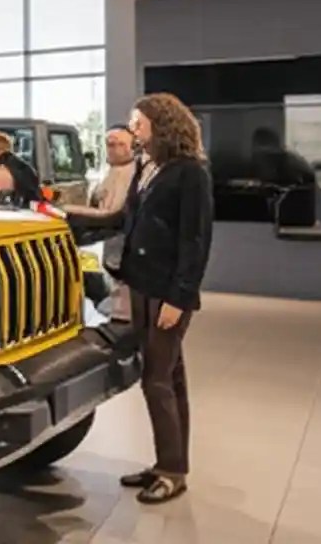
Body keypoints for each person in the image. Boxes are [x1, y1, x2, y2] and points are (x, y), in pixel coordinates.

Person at [68, 92, 213, 505]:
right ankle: (170, 463)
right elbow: (121, 220)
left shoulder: (190, 173)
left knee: (157, 380)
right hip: (143, 285)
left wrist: (179, 299)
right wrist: (68, 219)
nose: (133, 129)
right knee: (171, 376)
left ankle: (171, 471)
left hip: (167, 293)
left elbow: (195, 242)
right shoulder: (148, 168)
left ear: (161, 124)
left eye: (139, 122)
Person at [64, 124, 139, 321]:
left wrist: (68, 211)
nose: (114, 148)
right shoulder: (112, 171)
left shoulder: (134, 174)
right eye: (110, 144)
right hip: (109, 246)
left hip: (124, 246)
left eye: (120, 144)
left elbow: (112, 213)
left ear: (133, 146)